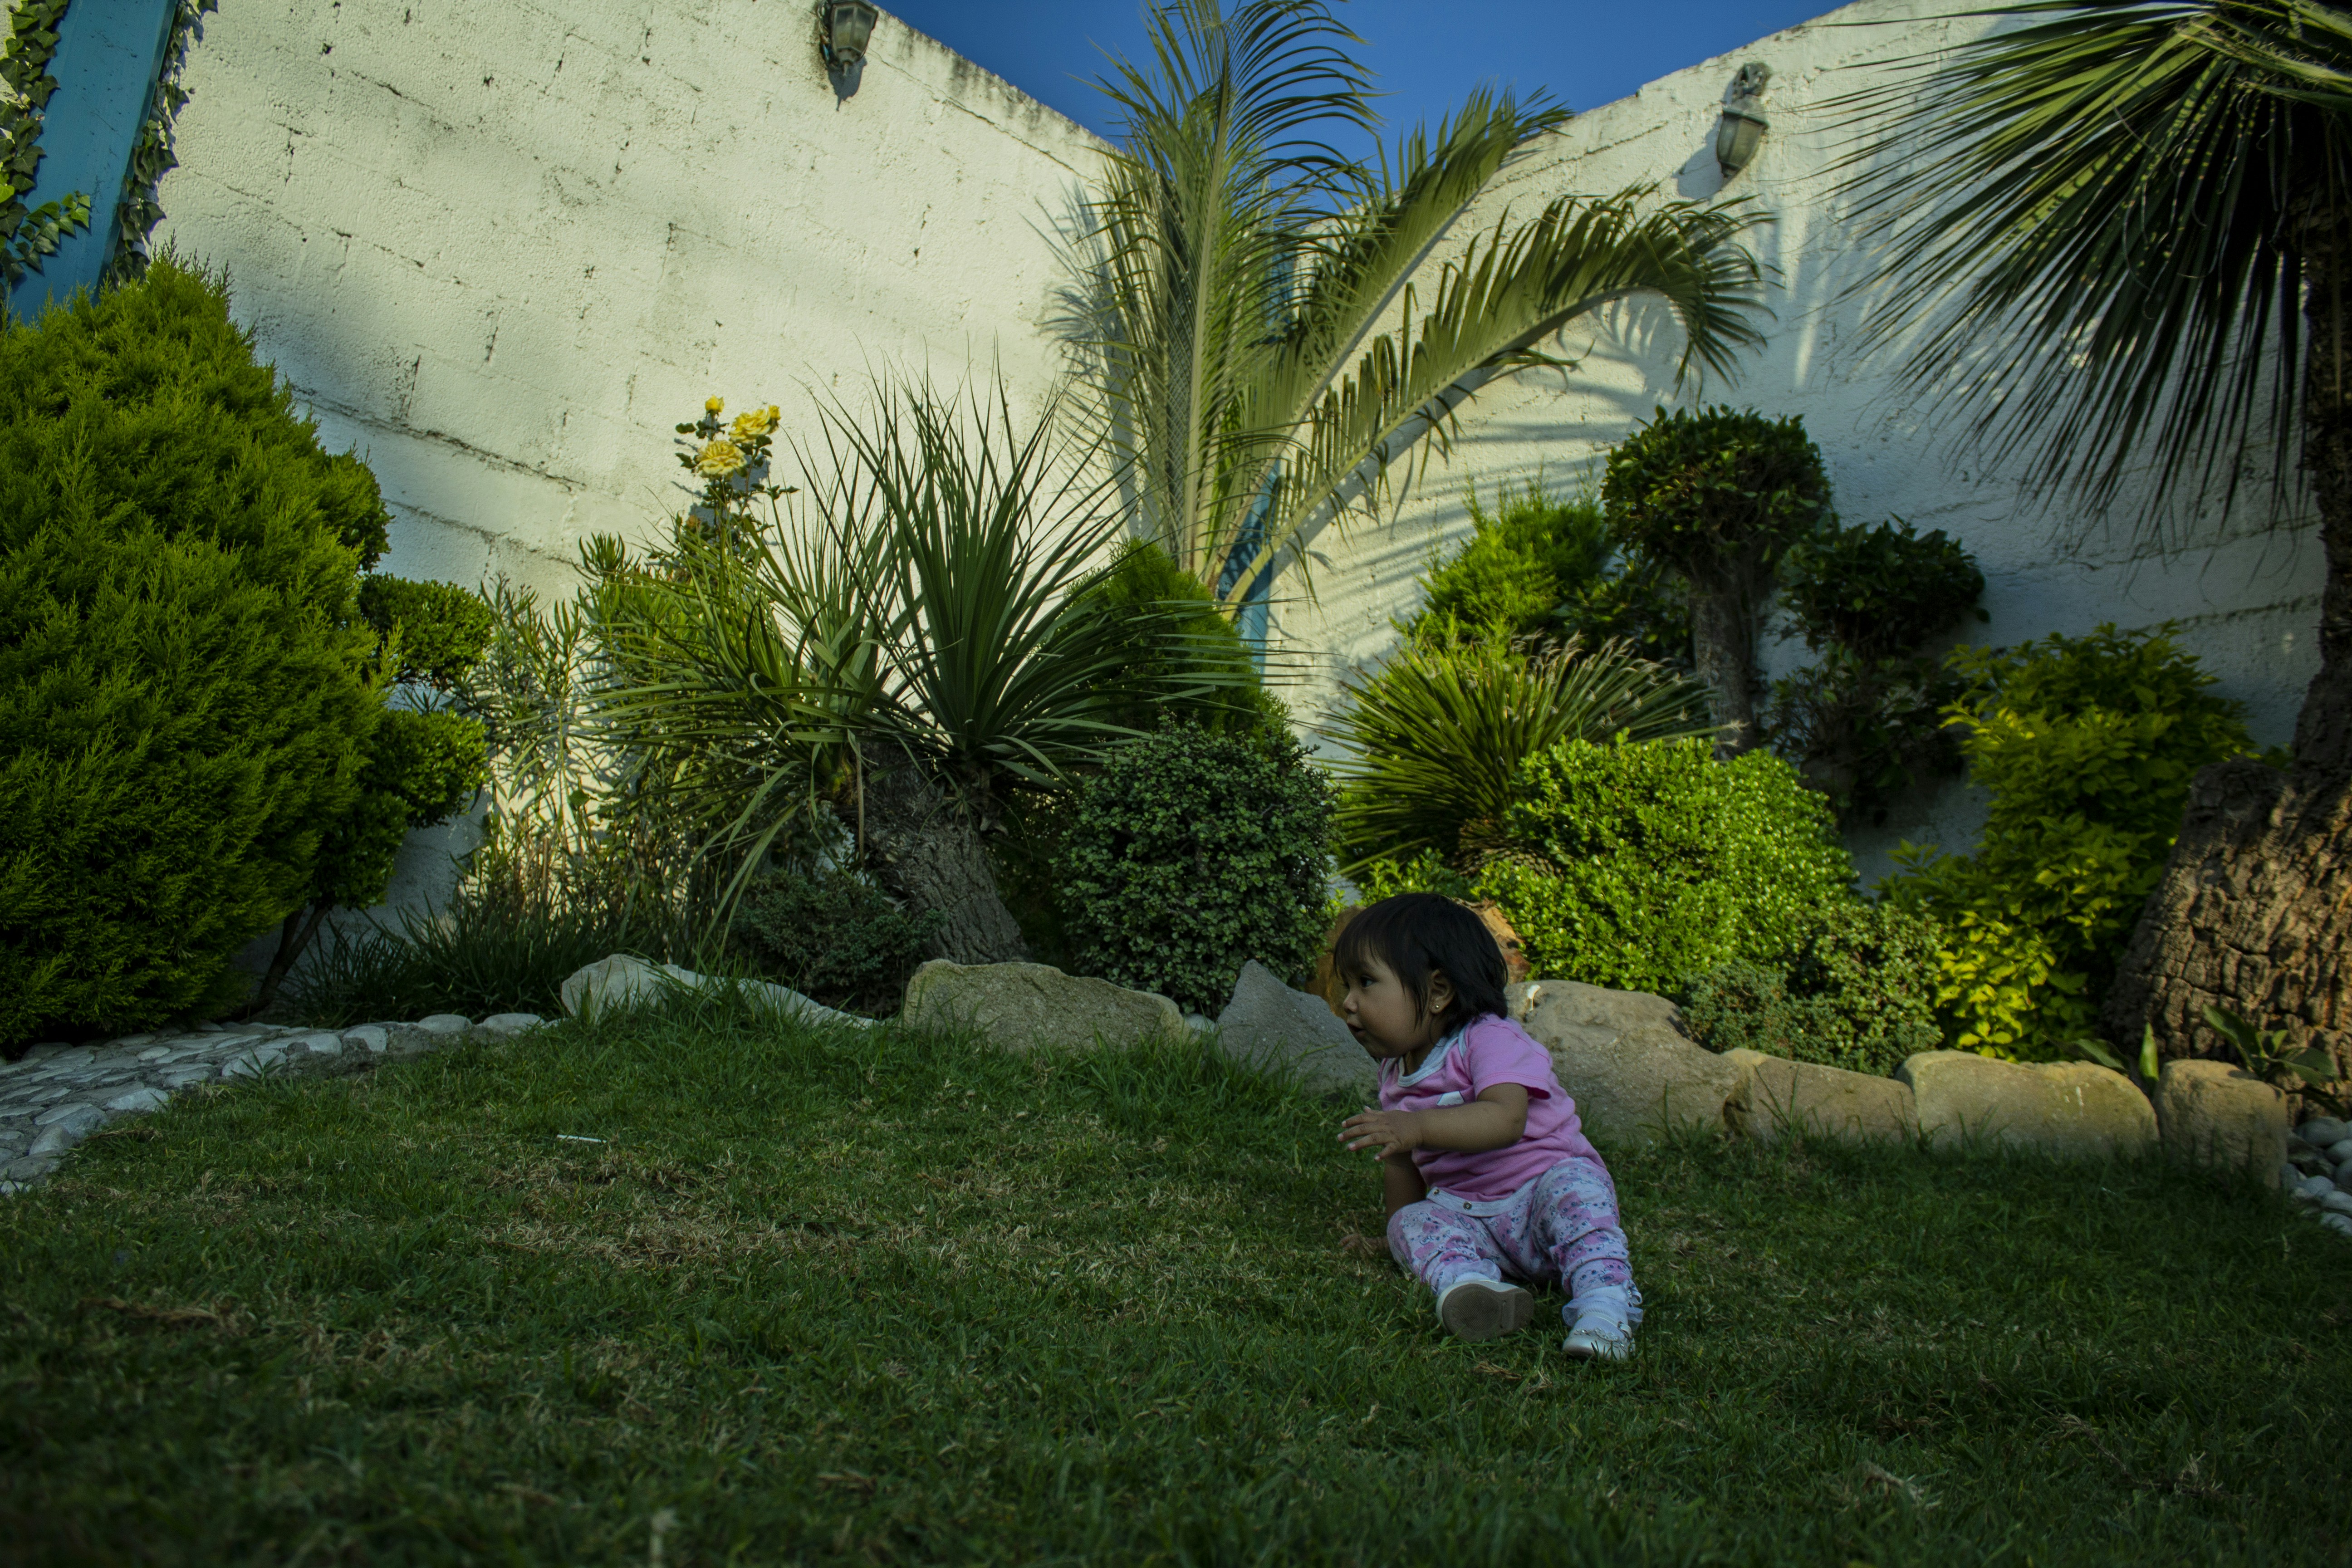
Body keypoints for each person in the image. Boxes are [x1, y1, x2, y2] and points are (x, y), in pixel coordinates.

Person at [1334, 893, 1639, 1360]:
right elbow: (1405, 1170)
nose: (1348, 1003)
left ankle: (1604, 1307)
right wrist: (1395, 1229)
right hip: (1473, 1220)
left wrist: (1414, 1128)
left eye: (1366, 983)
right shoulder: (1395, 1074)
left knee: (1576, 1189)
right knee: (1412, 1221)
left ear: (1438, 991)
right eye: (1347, 985)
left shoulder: (1488, 1038)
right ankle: (1472, 1288)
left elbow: (1506, 1118)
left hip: (1541, 1198)